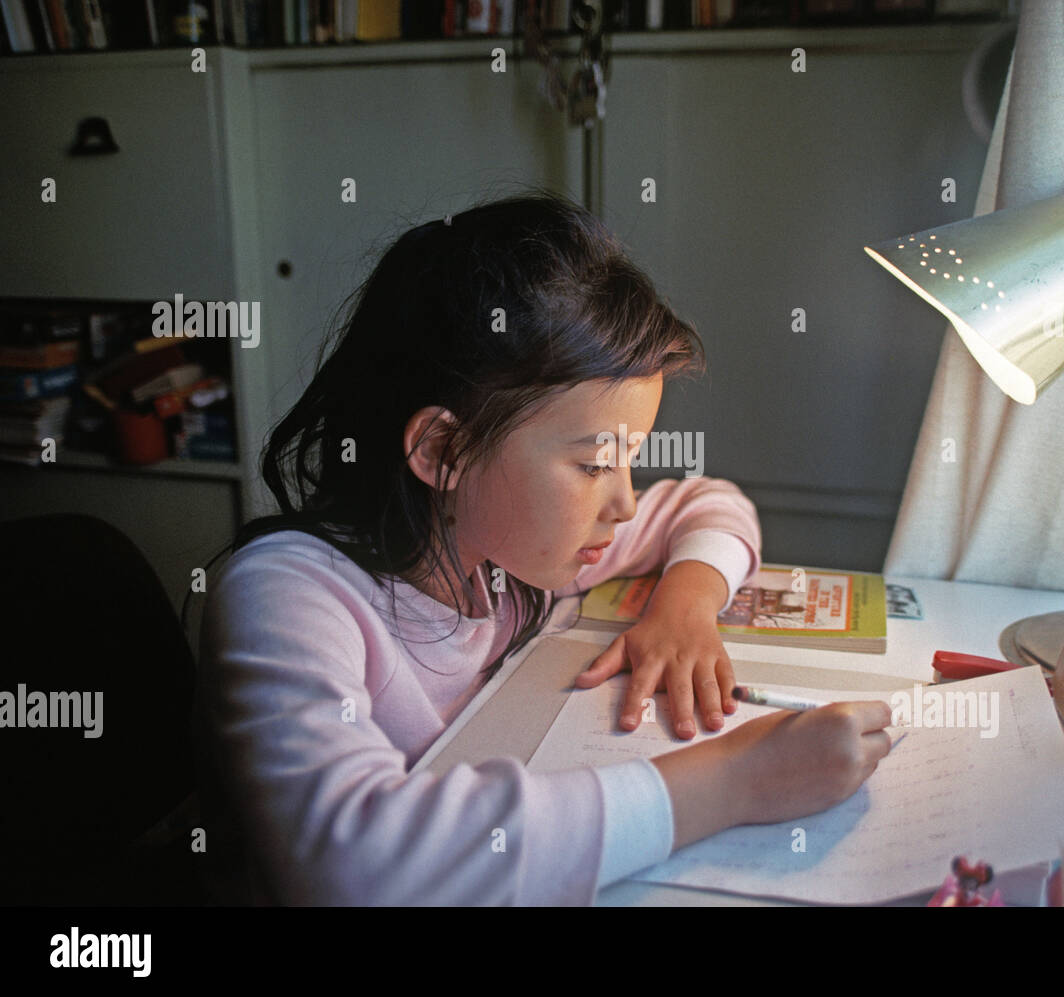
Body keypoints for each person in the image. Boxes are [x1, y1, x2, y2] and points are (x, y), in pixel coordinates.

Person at [191, 188, 894, 905]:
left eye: (629, 460)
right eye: (595, 465)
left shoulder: (506, 558)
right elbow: (353, 869)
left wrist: (685, 607)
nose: (623, 502)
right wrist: (738, 778)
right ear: (444, 449)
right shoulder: (288, 595)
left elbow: (710, 502)